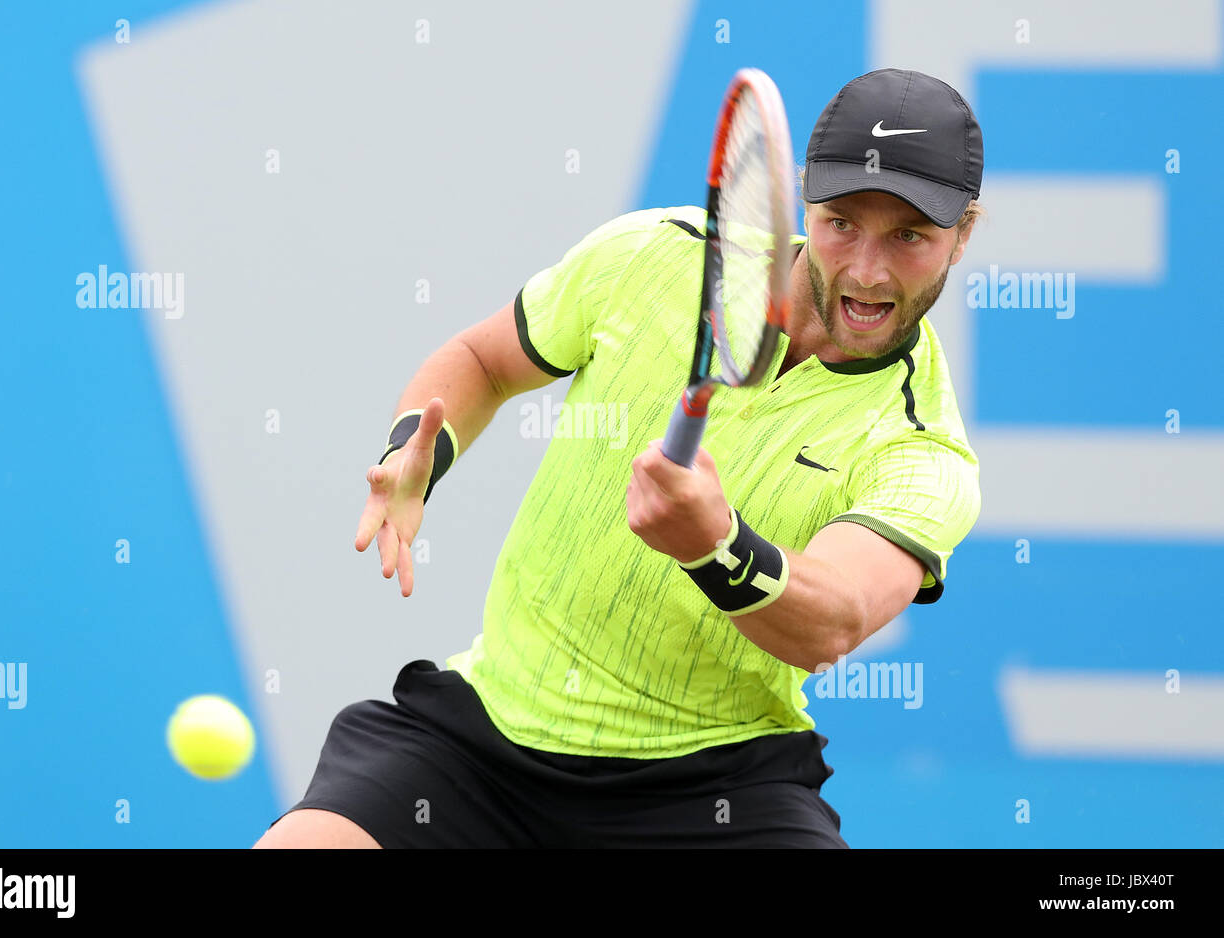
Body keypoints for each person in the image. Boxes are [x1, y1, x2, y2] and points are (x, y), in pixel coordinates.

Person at [254, 67, 984, 849]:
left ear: (964, 234)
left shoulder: (923, 448)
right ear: (802, 196)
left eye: (909, 236)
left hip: (711, 789)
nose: (868, 270)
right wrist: (415, 454)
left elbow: (833, 621)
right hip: (483, 741)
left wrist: (719, 546)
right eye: (842, 223)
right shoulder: (649, 259)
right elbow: (484, 362)